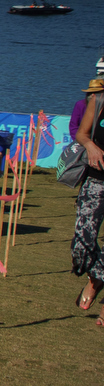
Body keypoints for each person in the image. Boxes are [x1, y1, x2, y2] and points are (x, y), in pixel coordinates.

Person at [71, 77, 104, 327]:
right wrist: (91, 146)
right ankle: (97, 277)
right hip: (96, 180)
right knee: (81, 244)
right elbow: (81, 133)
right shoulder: (99, 99)